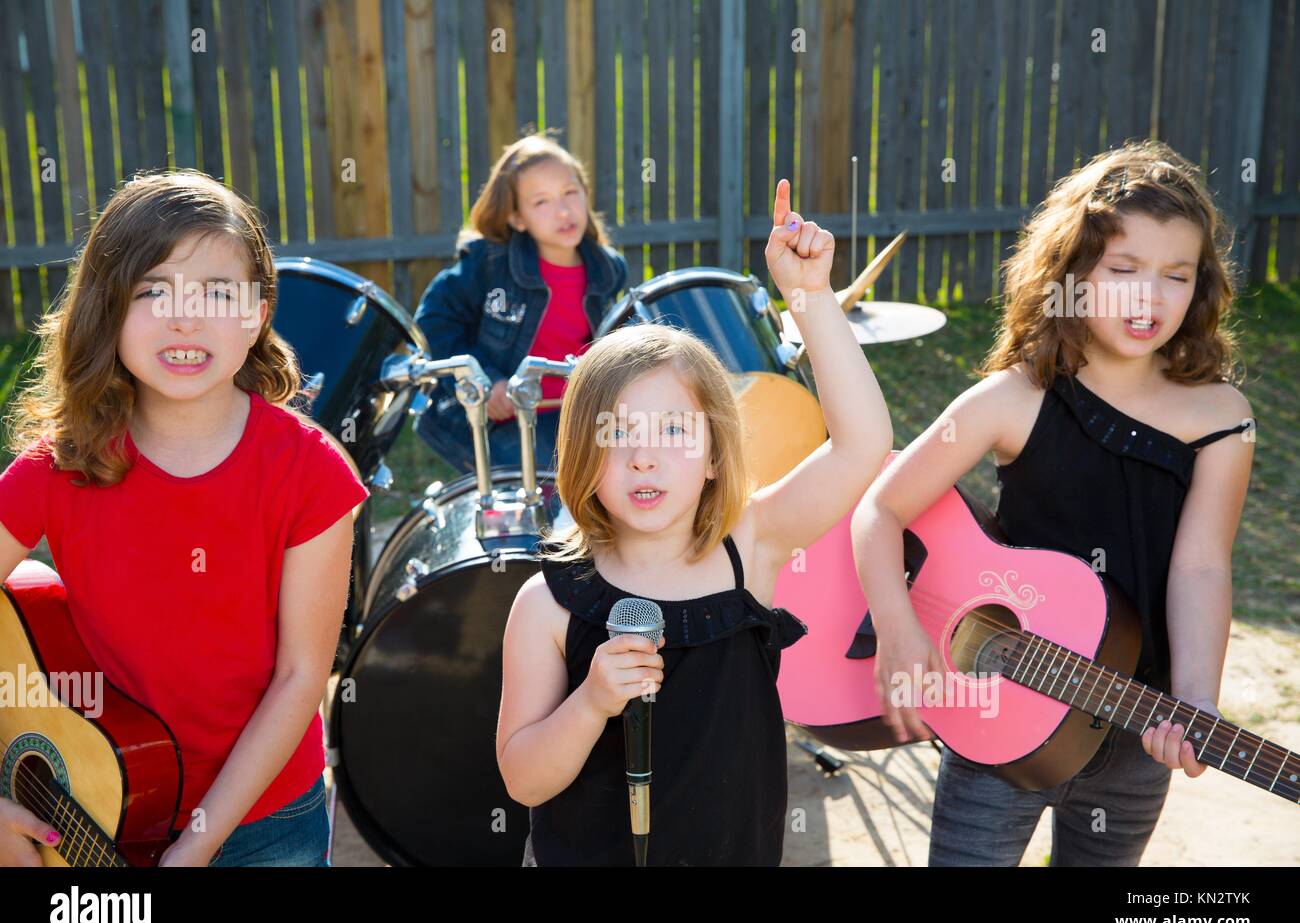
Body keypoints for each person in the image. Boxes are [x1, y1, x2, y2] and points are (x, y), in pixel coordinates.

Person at [851, 140, 1255, 866]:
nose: (1149, 297)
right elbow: (880, 510)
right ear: (1072, 272)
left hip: (1136, 726)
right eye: (1124, 270)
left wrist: (1194, 699)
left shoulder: (1220, 416)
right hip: (998, 713)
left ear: (1201, 286)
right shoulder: (1014, 398)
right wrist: (899, 627)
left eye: (1175, 275)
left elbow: (1201, 567)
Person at [496, 178, 893, 864]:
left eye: (674, 431)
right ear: (581, 453)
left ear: (714, 456)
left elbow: (862, 445)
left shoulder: (753, 546)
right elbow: (524, 779)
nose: (644, 458)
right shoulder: (547, 604)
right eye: (618, 434)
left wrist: (810, 297)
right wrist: (591, 703)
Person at [0, 171, 367, 866]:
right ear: (105, 310)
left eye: (217, 293)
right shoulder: (61, 465)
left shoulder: (311, 473)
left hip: (264, 820)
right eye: (152, 291)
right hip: (91, 802)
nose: (184, 317)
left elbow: (299, 679)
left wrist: (194, 848)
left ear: (258, 314)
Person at [413, 132, 629, 474]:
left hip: (580, 413)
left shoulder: (607, 268)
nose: (563, 211)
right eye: (541, 202)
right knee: (552, 495)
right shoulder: (488, 262)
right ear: (517, 217)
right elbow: (433, 323)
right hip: (509, 420)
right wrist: (487, 381)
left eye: (571, 193)